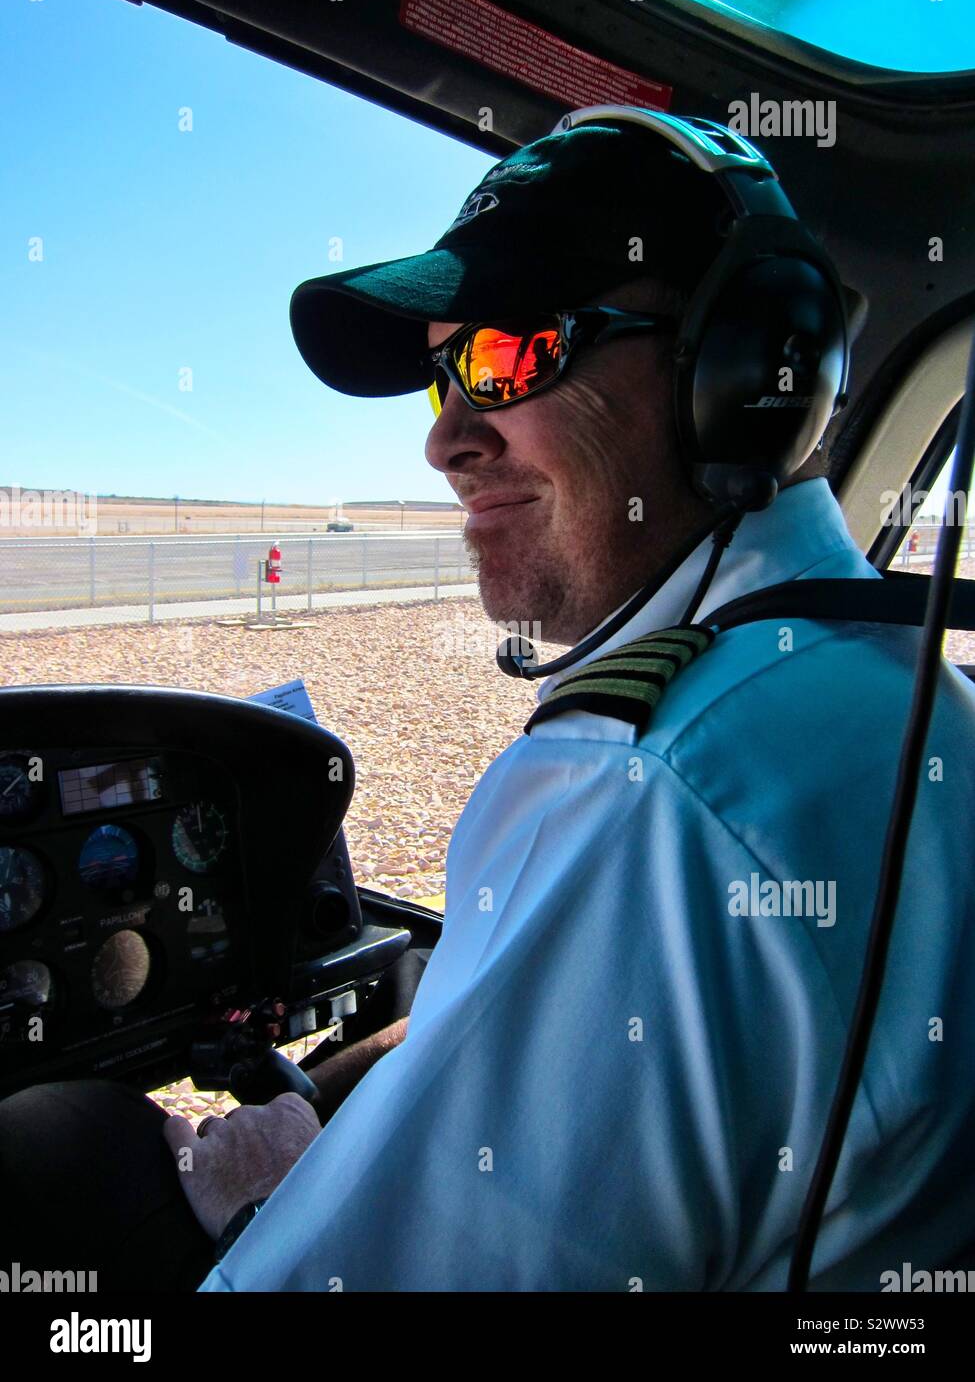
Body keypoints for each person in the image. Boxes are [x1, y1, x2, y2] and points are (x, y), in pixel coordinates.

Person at [4, 115, 975, 1292]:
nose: (447, 441)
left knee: (62, 1151)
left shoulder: (653, 795)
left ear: (739, 371)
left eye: (508, 357)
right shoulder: (903, 698)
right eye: (438, 377)